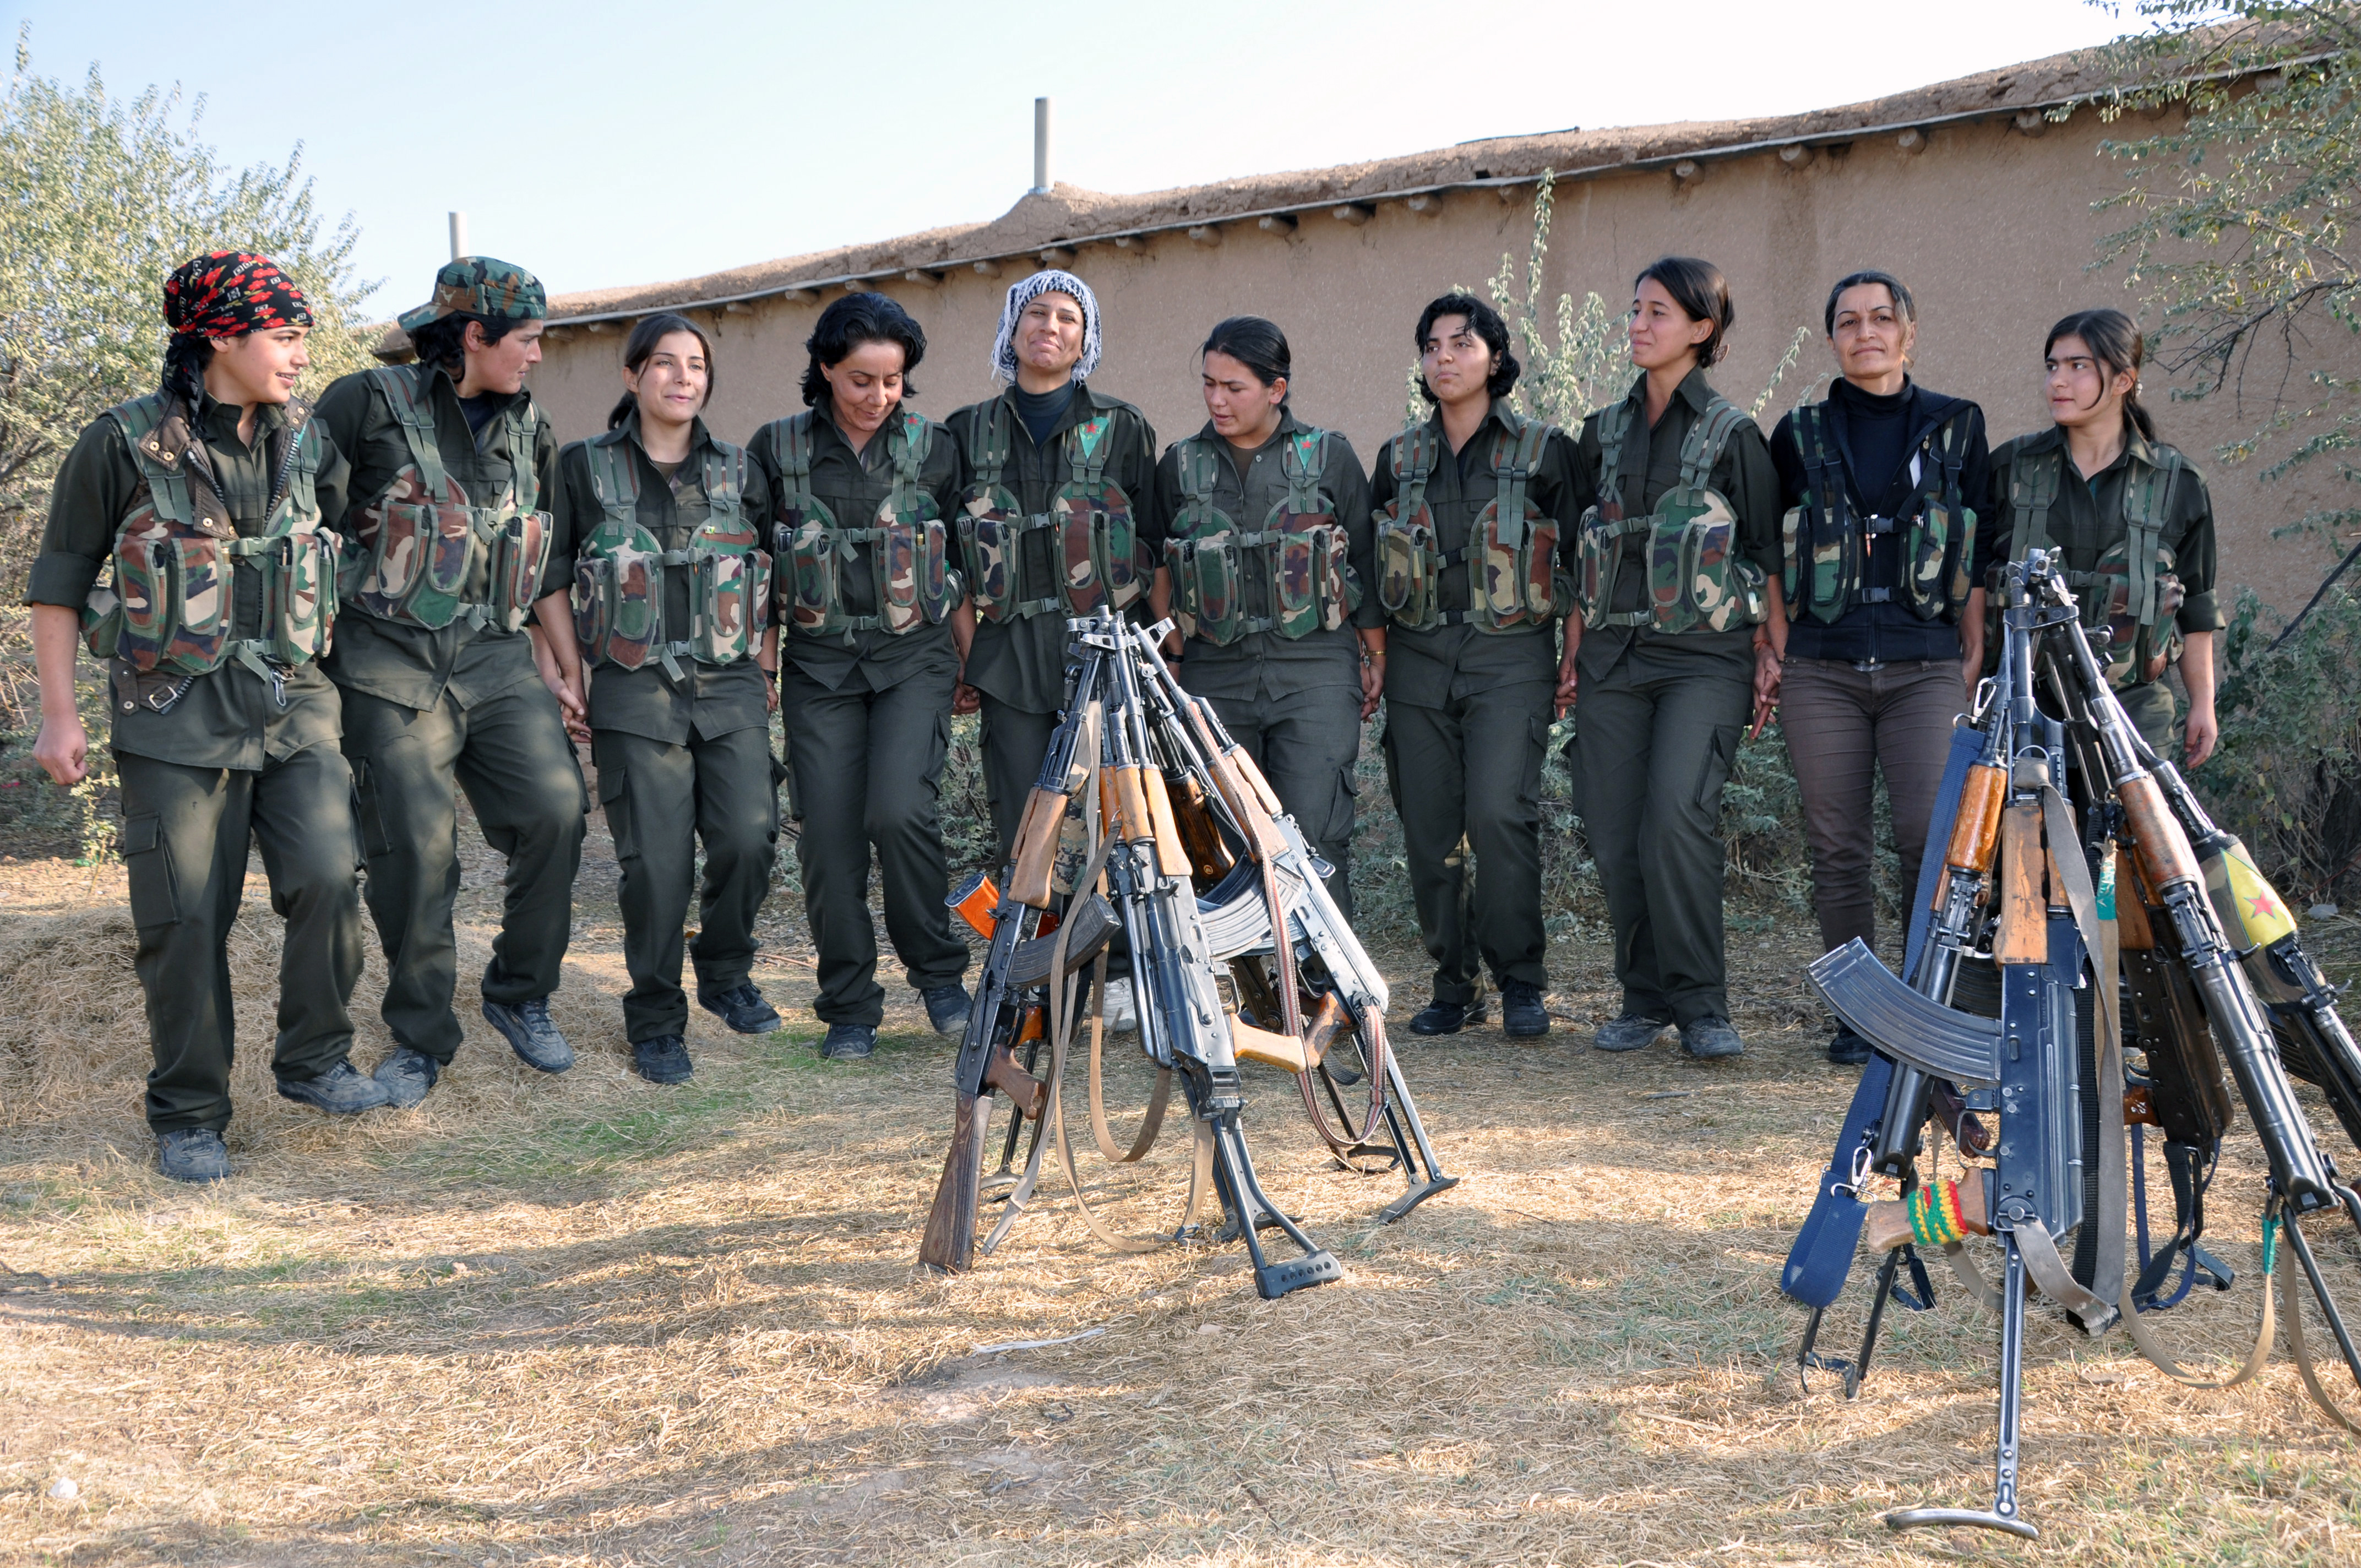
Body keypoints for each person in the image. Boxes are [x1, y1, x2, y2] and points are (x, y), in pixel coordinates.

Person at [25, 252, 389, 1180]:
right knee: (186, 918)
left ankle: (313, 1060)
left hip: (295, 709)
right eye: (285, 335)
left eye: (306, 337)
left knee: (328, 877)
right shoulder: (123, 442)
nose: (302, 356)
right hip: (175, 719)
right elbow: (60, 581)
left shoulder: (308, 439)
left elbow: (338, 548)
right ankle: (189, 1111)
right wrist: (58, 716)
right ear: (221, 337)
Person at [315, 258, 587, 1108]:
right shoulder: (360, 403)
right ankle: (422, 1037)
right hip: (387, 660)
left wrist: (562, 652)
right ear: (474, 336)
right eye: (529, 341)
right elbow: (305, 530)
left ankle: (520, 994)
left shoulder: (529, 426)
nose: (538, 357)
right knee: (415, 852)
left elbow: (532, 549)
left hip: (495, 657)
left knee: (556, 811)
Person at [544, 313, 781, 1085]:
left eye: (698, 367)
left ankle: (723, 968)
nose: (684, 378)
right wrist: (567, 670)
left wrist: (769, 659)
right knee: (656, 867)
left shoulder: (740, 471)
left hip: (730, 684)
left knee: (750, 837)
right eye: (667, 364)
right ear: (633, 375)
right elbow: (548, 576)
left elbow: (770, 573)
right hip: (633, 689)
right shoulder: (583, 468)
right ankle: (655, 1018)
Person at [1766, 271, 1990, 1065]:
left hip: (1924, 666)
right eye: (1849, 321)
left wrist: (1973, 645)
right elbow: (1770, 554)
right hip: (1822, 668)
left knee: (1929, 842)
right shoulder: (1798, 433)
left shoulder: (1958, 427)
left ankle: (1929, 1006)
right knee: (1837, 847)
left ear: (1909, 331)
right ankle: (1858, 1018)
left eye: (1882, 318)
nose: (1867, 332)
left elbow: (1975, 546)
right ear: (1832, 338)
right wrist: (1778, 644)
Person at [1566, 257, 1781, 1061]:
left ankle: (1702, 1006)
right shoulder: (1599, 433)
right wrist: (1573, 650)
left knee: (1677, 818)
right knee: (1616, 830)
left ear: (1702, 329)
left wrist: (1771, 652)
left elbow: (1764, 554)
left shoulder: (1735, 435)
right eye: (1634, 309)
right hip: (1613, 658)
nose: (1638, 324)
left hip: (1704, 659)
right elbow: (1583, 549)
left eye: (1658, 312)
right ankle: (1642, 996)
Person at [749, 292, 973, 1061]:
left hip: (914, 659)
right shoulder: (776, 449)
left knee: (900, 814)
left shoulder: (935, 449)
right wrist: (763, 661)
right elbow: (756, 568)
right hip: (820, 667)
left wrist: (971, 663)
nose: (878, 397)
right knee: (830, 838)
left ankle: (940, 977)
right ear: (824, 370)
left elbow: (963, 567)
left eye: (892, 381)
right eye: (860, 380)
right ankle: (849, 1005)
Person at [1368, 294, 1579, 1039]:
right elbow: (1370, 569)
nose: (1445, 358)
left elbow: (1582, 559)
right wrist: (1376, 658)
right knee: (1430, 830)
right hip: (1419, 659)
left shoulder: (1544, 451)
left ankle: (1520, 980)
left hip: (1510, 656)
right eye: (1431, 346)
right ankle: (1453, 984)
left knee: (1498, 816)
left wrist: (1574, 650)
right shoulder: (1398, 458)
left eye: (1462, 343)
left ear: (1495, 356)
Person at [1145, 317, 1380, 921]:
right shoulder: (1179, 465)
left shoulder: (1330, 457)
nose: (1217, 400)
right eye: (1208, 385)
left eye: (1234, 387)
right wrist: (1171, 644)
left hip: (1316, 670)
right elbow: (1155, 559)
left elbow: (1367, 561)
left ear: (1276, 390)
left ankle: (1330, 990)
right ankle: (1246, 996)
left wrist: (1375, 658)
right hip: (1215, 673)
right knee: (1222, 842)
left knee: (1318, 835)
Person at [945, 270, 1158, 858]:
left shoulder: (1122, 428)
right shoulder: (965, 433)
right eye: (1036, 313)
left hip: (1106, 658)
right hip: (1009, 660)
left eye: (1068, 317)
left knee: (1115, 824)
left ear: (1084, 339)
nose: (1051, 327)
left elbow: (1156, 545)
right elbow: (945, 563)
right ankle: (1033, 951)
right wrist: (970, 656)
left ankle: (1118, 956)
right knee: (1023, 829)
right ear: (1011, 329)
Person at [1985, 308, 2221, 769]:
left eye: (2079, 367)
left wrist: (2203, 704)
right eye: (2053, 366)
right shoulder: (2010, 469)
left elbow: (2197, 608)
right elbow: (1975, 583)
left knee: (2142, 840)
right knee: (2023, 842)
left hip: (2135, 710)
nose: (2058, 381)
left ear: (2123, 381)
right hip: (2021, 712)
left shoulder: (2178, 483)